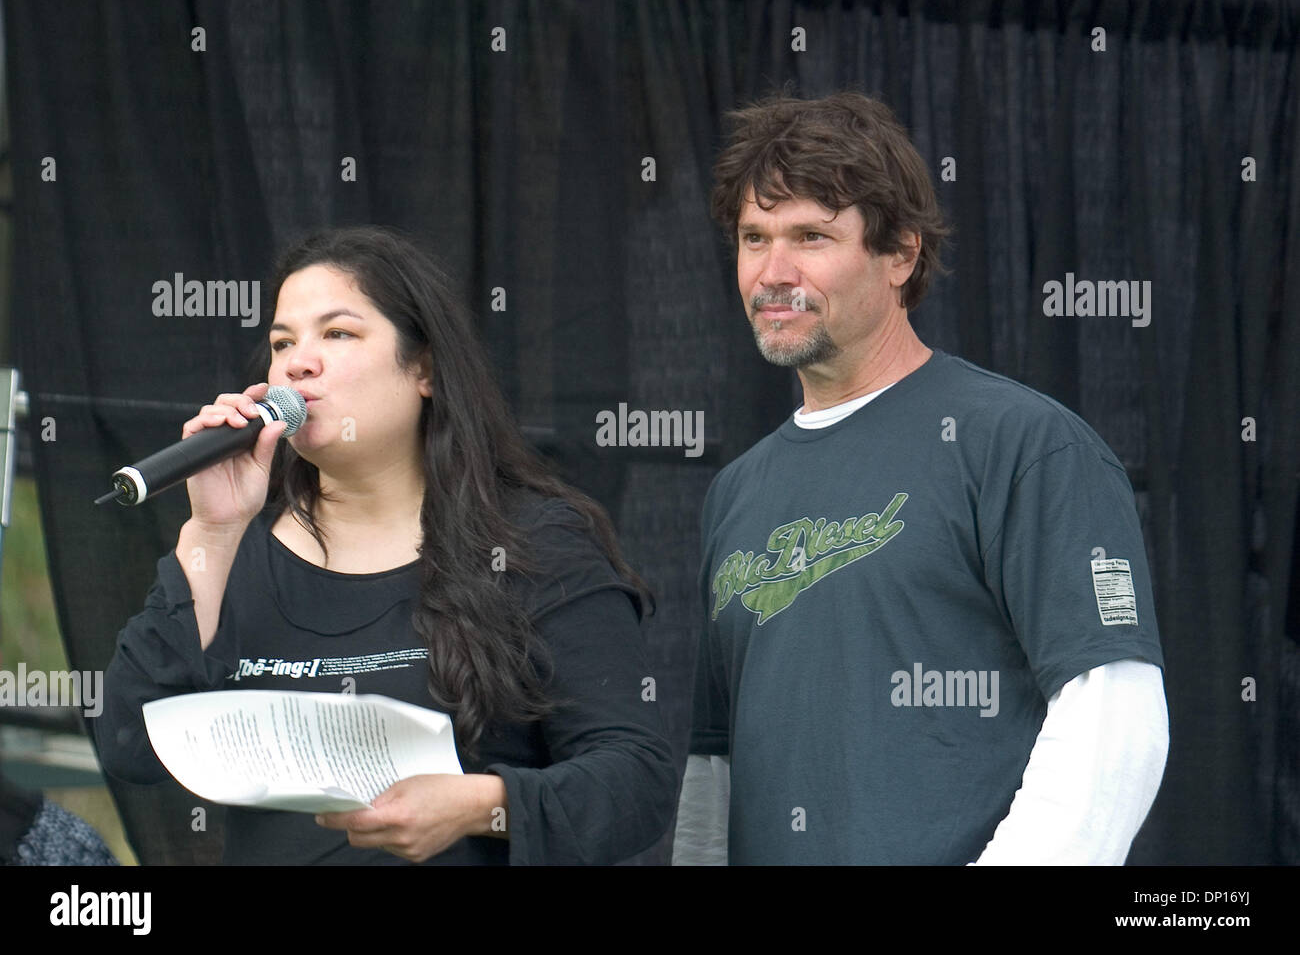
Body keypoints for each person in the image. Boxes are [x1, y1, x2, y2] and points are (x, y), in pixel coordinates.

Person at [673, 92, 1169, 865]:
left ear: (900, 254)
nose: (773, 273)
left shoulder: (1025, 446)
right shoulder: (736, 491)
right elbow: (714, 769)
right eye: (753, 238)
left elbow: (1116, 719)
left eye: (811, 237)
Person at [94, 226, 676, 865]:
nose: (298, 362)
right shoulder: (236, 551)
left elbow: (636, 781)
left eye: (337, 334)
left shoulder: (533, 544)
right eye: (282, 342)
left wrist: (480, 805)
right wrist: (213, 530)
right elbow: (129, 745)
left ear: (424, 368)